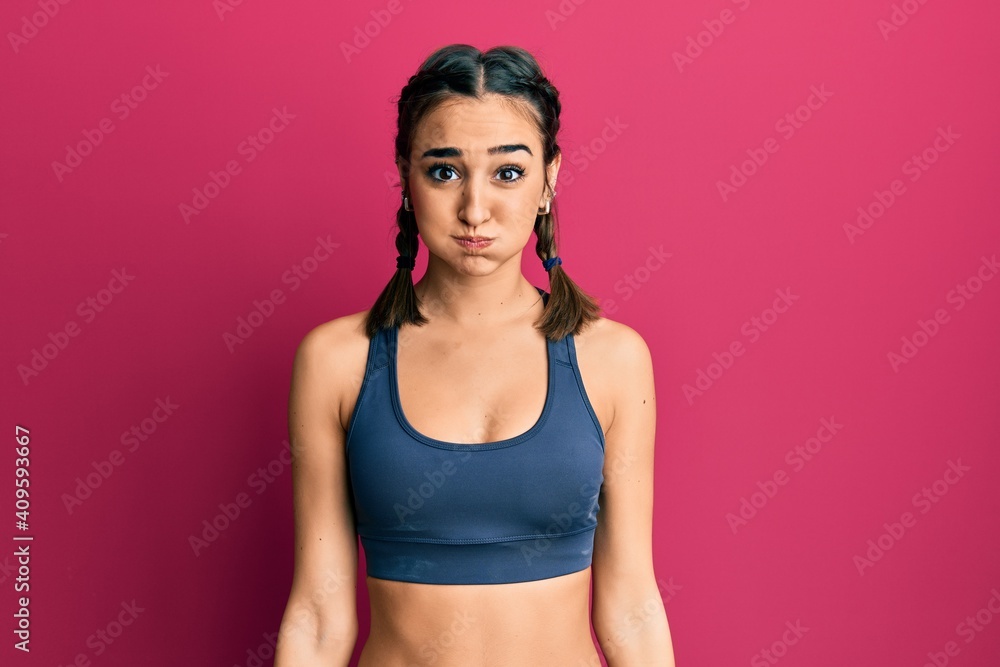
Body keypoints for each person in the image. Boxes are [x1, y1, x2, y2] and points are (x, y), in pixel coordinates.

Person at [274, 43, 675, 666]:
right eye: (444, 170)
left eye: (508, 172)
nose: (475, 209)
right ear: (406, 175)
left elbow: (630, 610)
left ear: (550, 178)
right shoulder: (337, 361)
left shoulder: (613, 359)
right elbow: (319, 616)